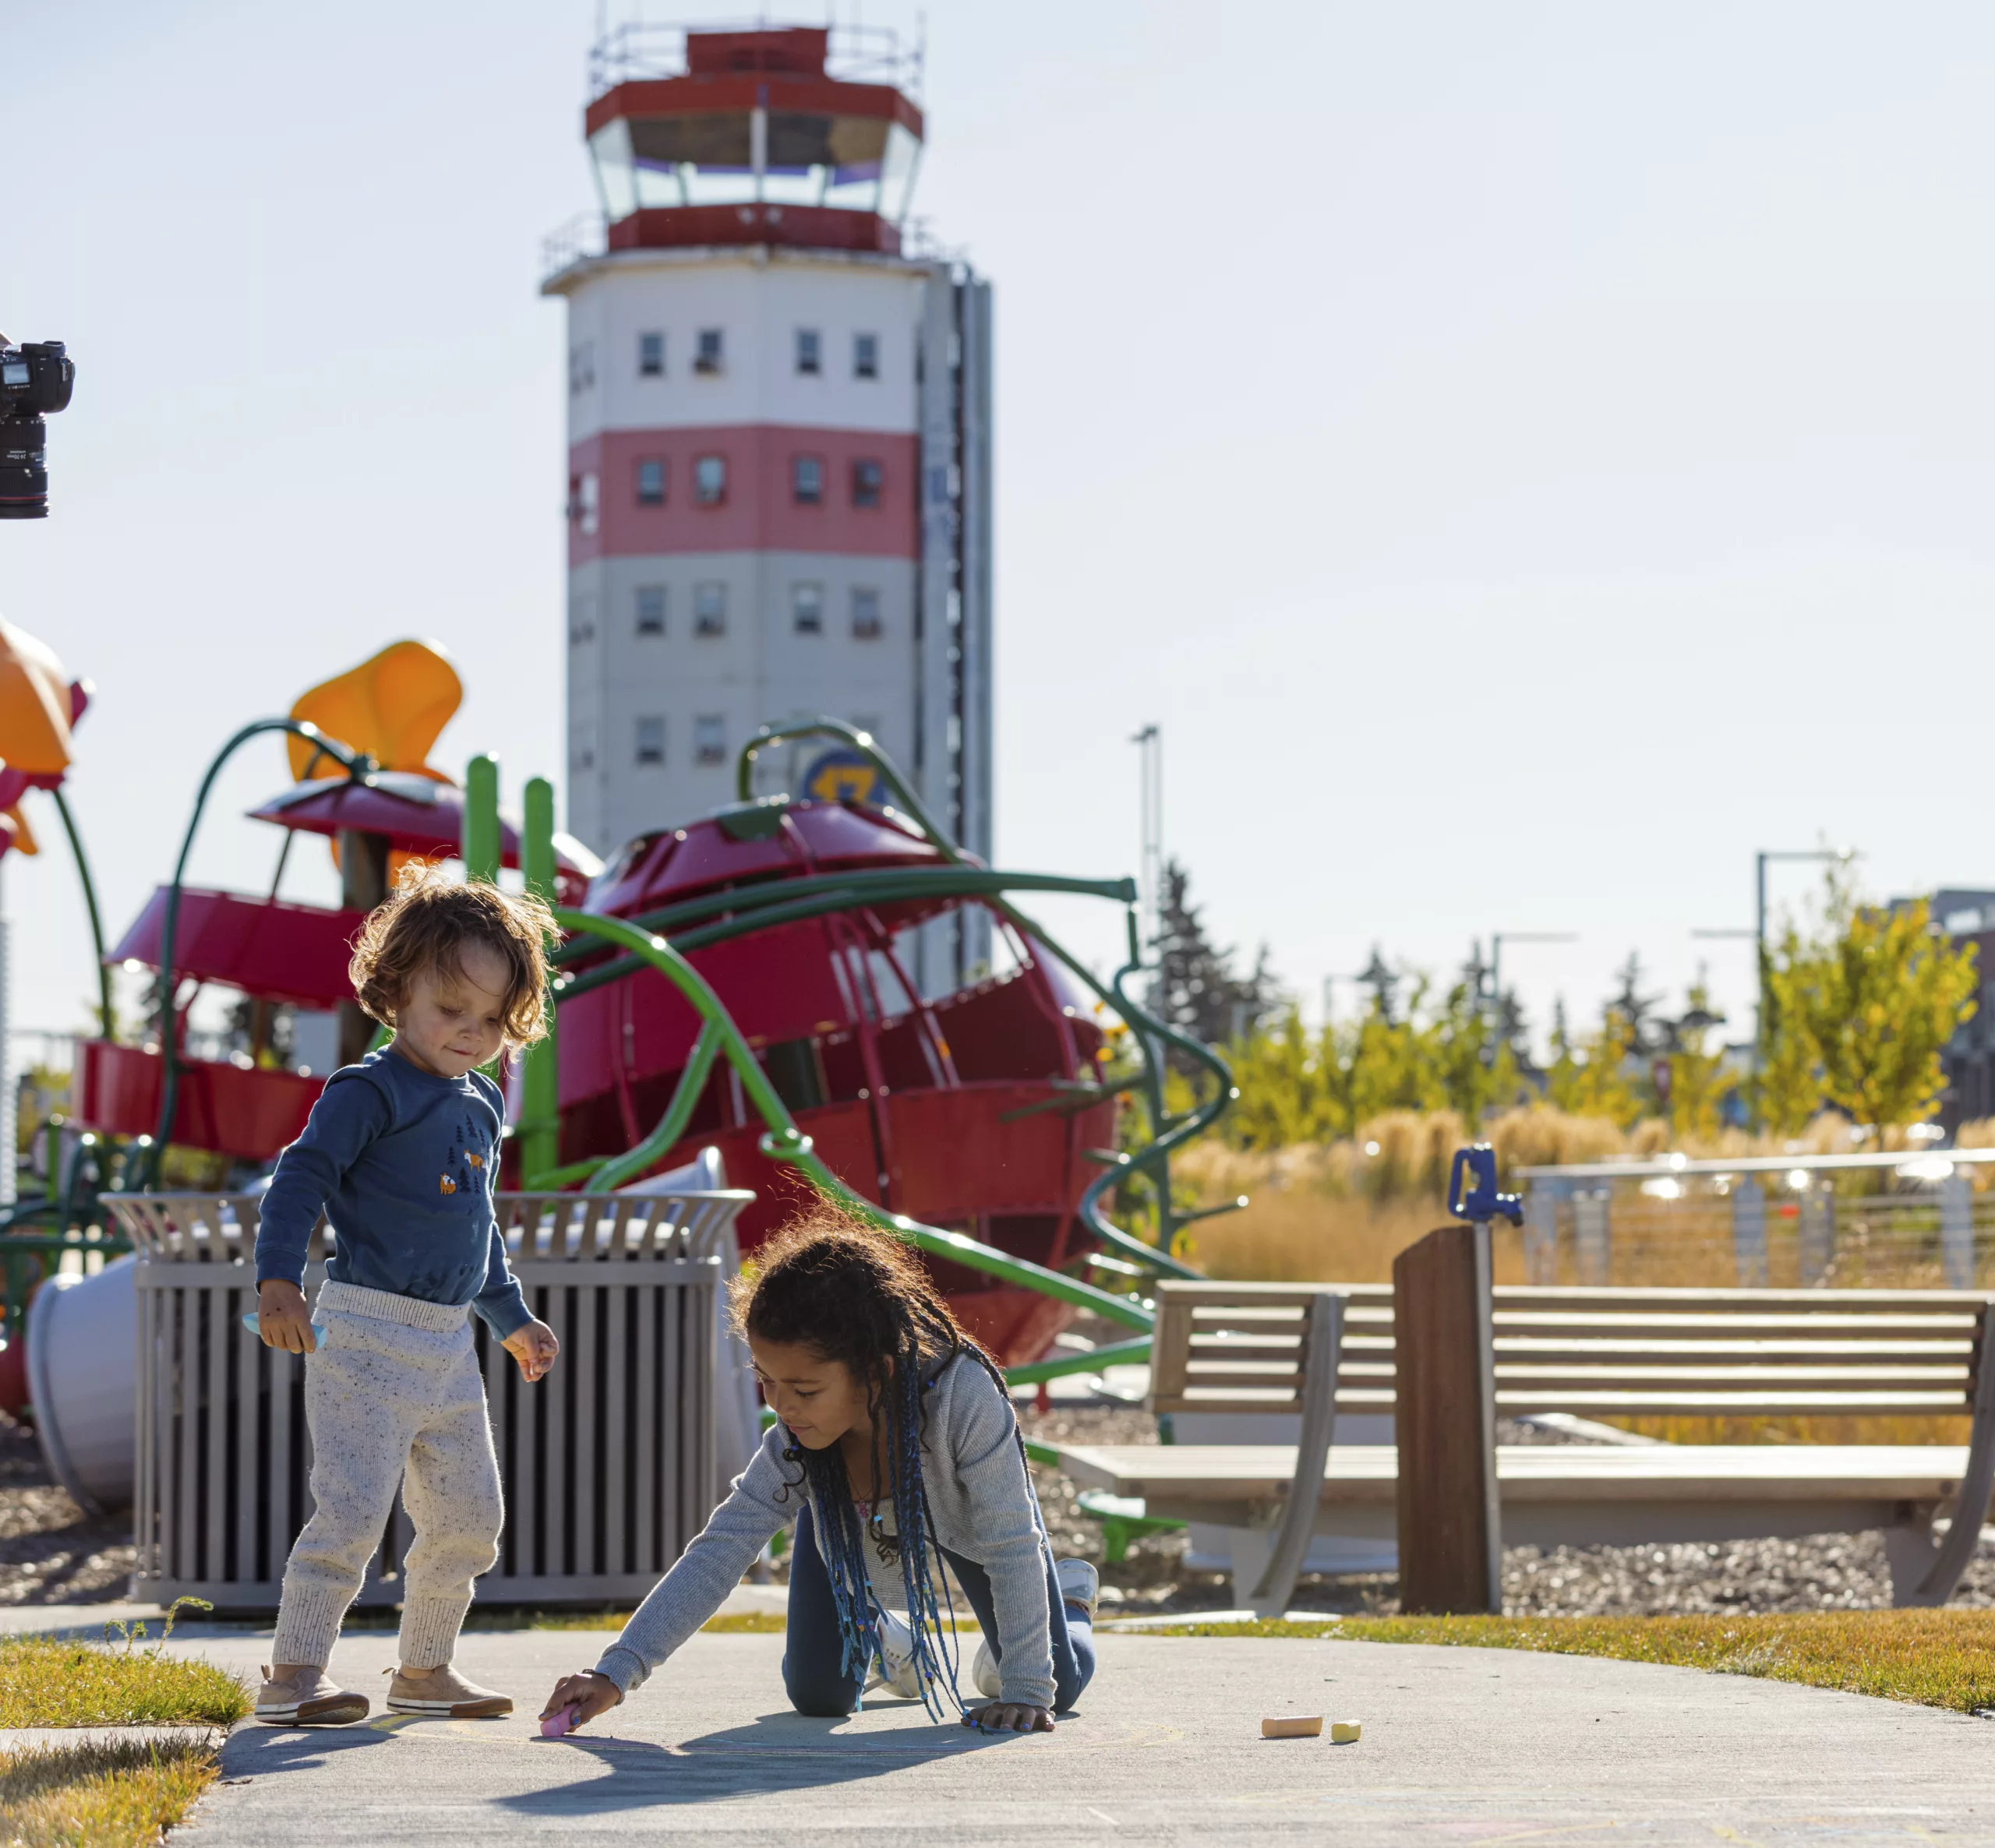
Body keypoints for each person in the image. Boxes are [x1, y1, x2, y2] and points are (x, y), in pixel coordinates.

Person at [541, 1211, 1098, 1736]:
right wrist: (614, 1672)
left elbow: (1010, 1542)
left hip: (973, 1529)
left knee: (1057, 1686)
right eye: (767, 1381)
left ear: (876, 1372)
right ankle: (895, 1645)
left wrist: (1026, 1687)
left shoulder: (964, 1396)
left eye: (804, 1390)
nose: (782, 1407)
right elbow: (722, 1547)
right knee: (817, 1695)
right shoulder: (798, 1438)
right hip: (848, 1523)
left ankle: (1069, 1601)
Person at [250, 866, 563, 1727]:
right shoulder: (369, 1089)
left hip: (448, 1345)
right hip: (366, 1332)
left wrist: (512, 1316)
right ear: (394, 993)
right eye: (450, 1011)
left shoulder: (481, 1099)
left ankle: (424, 1668)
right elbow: (299, 1176)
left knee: (470, 1516)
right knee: (350, 1509)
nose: (471, 1033)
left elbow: (477, 1225)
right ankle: (293, 1673)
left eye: (492, 1019)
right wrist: (279, 1276)